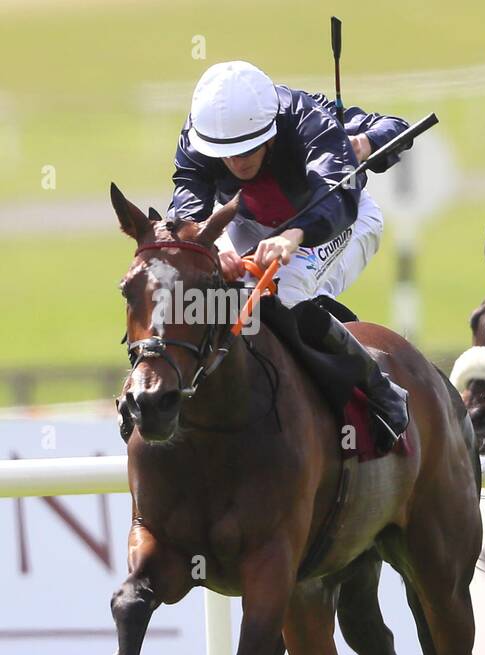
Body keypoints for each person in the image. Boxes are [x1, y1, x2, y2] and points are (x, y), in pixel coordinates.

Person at [121, 60, 410, 450]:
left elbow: (338, 195)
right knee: (197, 290)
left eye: (249, 148)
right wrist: (204, 248)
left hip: (336, 219)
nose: (238, 162)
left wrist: (294, 235)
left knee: (277, 295)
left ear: (271, 129)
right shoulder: (200, 132)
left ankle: (380, 391)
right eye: (226, 153)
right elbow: (189, 197)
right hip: (250, 222)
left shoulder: (307, 118)